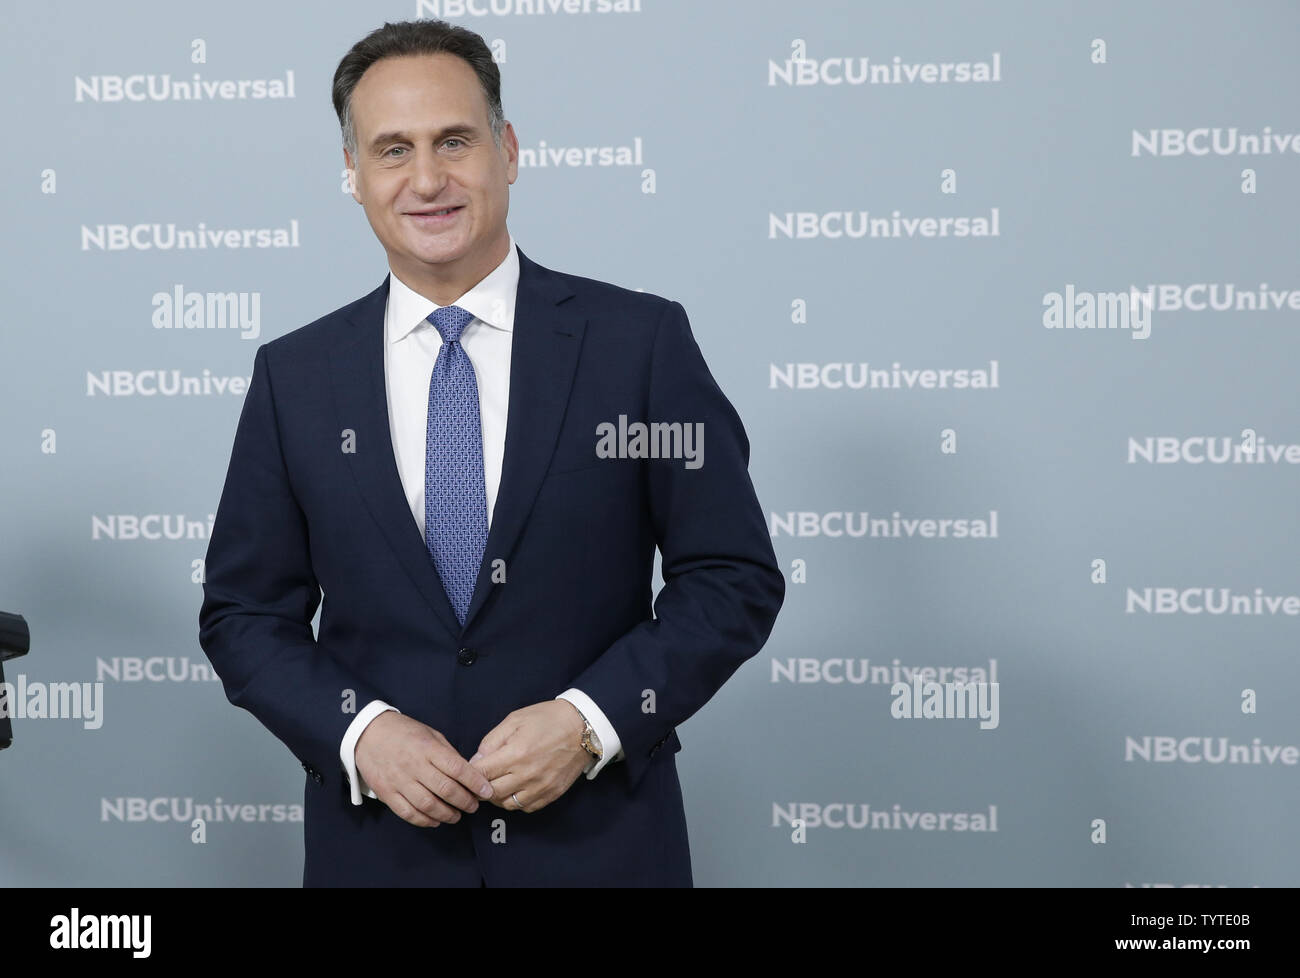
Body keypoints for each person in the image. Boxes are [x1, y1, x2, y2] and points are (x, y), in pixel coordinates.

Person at [198, 18, 784, 887]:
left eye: (455, 141)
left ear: (507, 151)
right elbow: (244, 617)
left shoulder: (639, 344)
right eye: (393, 150)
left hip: (601, 850)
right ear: (352, 175)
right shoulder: (295, 377)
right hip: (381, 857)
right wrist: (361, 733)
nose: (427, 179)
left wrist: (591, 722)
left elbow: (731, 575)